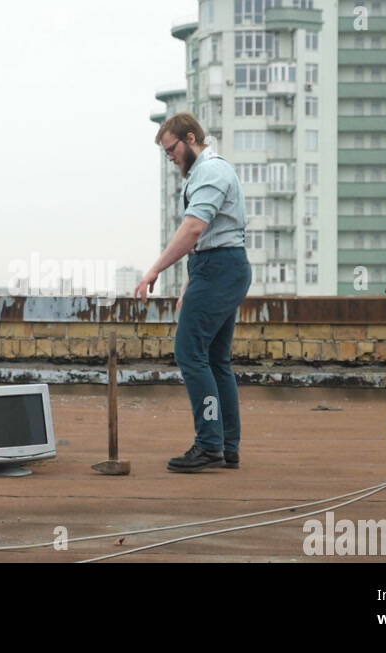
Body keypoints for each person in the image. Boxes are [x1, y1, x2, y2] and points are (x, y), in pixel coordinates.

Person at [134, 113, 252, 473]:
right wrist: (191, 282)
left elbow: (194, 229)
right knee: (215, 360)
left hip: (220, 269)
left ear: (189, 138)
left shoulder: (211, 171)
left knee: (190, 355)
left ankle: (210, 445)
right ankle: (226, 445)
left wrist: (155, 270)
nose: (170, 158)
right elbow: (208, 238)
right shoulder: (205, 172)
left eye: (171, 149)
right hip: (216, 268)